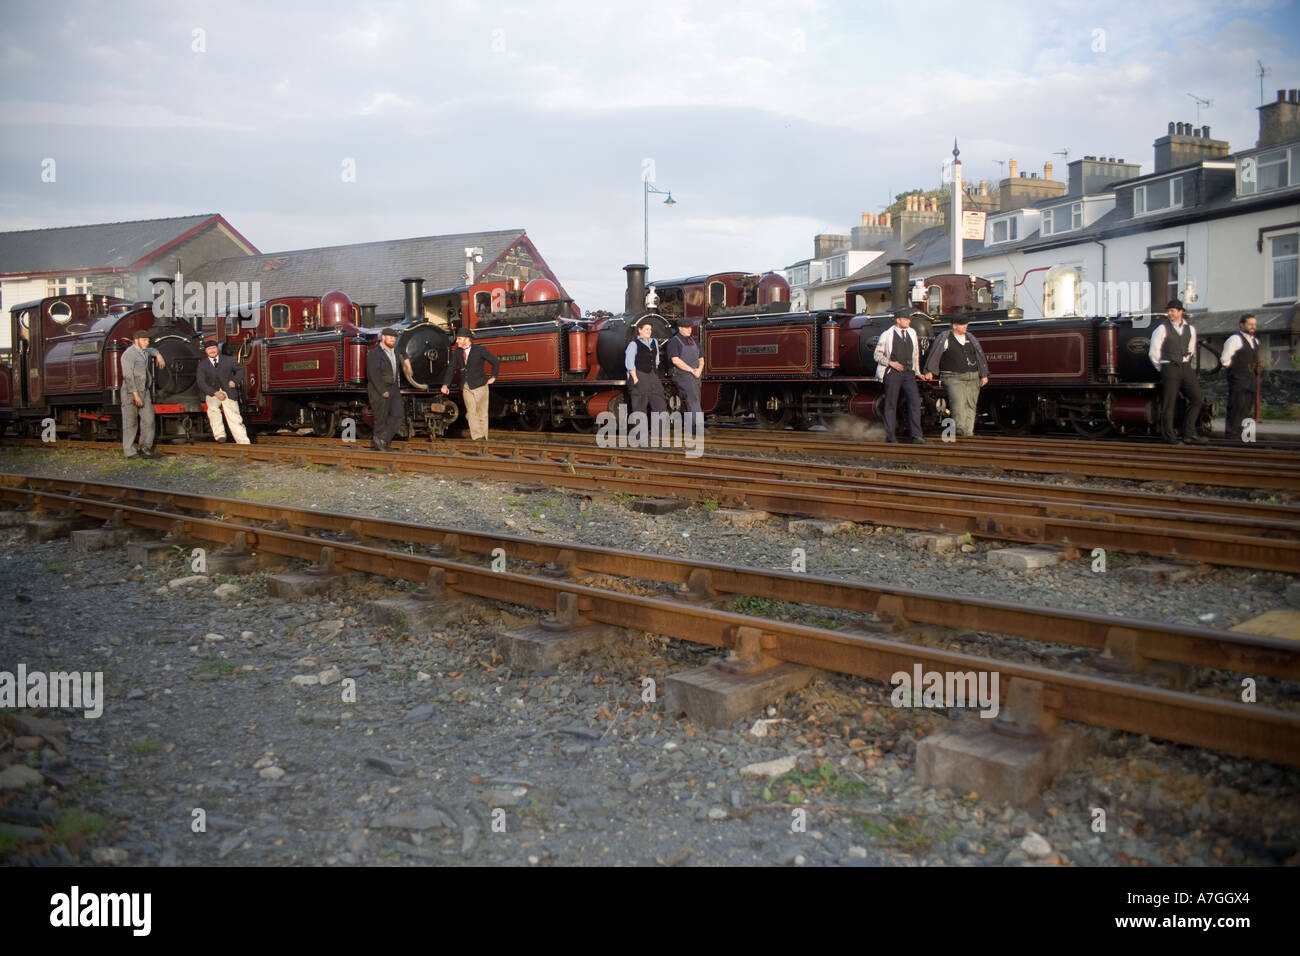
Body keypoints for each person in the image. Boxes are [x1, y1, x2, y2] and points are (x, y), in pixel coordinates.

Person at [1148, 298, 1207, 445]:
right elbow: (1153, 353)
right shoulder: (1161, 329)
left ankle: (1188, 433)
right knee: (1169, 403)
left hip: (1185, 366)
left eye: (1173, 311)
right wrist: (1163, 366)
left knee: (1197, 399)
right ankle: (1169, 436)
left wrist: (1184, 361)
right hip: (1169, 367)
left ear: (1181, 312)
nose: (1170, 313)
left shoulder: (1191, 329)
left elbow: (1191, 350)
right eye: (1169, 311)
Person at [923, 318, 989, 437]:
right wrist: (929, 371)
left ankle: (968, 432)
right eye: (962, 324)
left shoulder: (971, 338)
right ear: (954, 326)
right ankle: (960, 430)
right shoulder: (944, 338)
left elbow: (979, 356)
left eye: (966, 324)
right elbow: (935, 353)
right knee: (958, 402)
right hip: (952, 377)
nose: (965, 326)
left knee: (971, 404)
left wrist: (983, 374)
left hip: (972, 376)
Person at [873, 312, 932, 443]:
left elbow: (915, 354)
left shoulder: (912, 333)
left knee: (915, 402)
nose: (909, 322)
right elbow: (877, 355)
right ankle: (890, 437)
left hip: (909, 373)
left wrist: (918, 372)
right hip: (892, 373)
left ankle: (917, 435)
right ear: (898, 320)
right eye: (906, 319)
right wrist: (891, 363)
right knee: (890, 404)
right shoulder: (887, 334)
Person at [440, 328, 500, 441]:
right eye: (457, 338)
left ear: (467, 339)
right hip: (466, 387)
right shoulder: (457, 352)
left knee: (482, 414)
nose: (457, 341)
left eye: (459, 338)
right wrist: (445, 385)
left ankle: (484, 438)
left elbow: (495, 361)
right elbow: (451, 369)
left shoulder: (480, 350)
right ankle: (478, 437)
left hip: (481, 386)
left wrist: (494, 377)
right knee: (471, 412)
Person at [120, 328, 165, 459]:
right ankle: (129, 451)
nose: (147, 343)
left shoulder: (144, 351)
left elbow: (152, 350)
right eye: (144, 340)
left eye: (148, 340)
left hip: (144, 391)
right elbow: (128, 376)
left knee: (149, 420)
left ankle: (145, 447)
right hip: (131, 392)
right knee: (131, 422)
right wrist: (135, 395)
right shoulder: (129, 354)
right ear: (136, 341)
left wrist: (158, 354)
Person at [196, 339, 250, 444]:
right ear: (206, 351)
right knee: (213, 410)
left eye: (213, 348)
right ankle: (220, 435)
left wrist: (234, 381)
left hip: (228, 392)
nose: (212, 351)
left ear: (217, 349)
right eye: (209, 349)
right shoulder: (202, 365)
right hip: (213, 393)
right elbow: (201, 382)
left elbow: (241, 370)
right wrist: (215, 393)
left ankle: (243, 441)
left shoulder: (228, 360)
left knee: (234, 416)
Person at [1220, 313, 1261, 442]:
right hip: (1238, 377)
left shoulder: (1255, 341)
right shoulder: (1235, 339)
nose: (1252, 326)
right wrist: (1234, 371)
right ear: (1242, 325)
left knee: (1246, 406)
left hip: (1251, 378)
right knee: (1236, 405)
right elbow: (1225, 359)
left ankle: (1242, 435)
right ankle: (1232, 435)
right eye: (1250, 324)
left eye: (1254, 324)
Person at [366, 328, 404, 451]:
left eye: (394, 337)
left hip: (393, 387)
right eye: (390, 337)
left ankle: (384, 440)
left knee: (398, 415)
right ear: (383, 337)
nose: (393, 339)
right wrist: (382, 390)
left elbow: (404, 354)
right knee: (381, 417)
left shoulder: (395, 351)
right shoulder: (374, 353)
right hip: (379, 388)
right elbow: (373, 374)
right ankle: (379, 442)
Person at [665, 316, 704, 431]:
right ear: (680, 328)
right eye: (686, 328)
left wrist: (699, 370)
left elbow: (701, 358)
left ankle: (692, 426)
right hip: (681, 373)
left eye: (690, 328)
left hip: (695, 373)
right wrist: (692, 370)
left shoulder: (694, 341)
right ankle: (698, 426)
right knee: (692, 397)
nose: (689, 330)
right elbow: (675, 360)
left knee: (696, 398)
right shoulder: (674, 341)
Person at [625, 318, 667, 422]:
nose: (649, 331)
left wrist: (655, 371)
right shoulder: (633, 344)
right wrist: (635, 378)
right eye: (646, 329)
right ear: (640, 330)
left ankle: (659, 432)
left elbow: (656, 359)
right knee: (640, 406)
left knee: (659, 402)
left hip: (652, 375)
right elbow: (630, 363)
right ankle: (640, 436)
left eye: (650, 329)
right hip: (639, 375)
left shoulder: (654, 342)